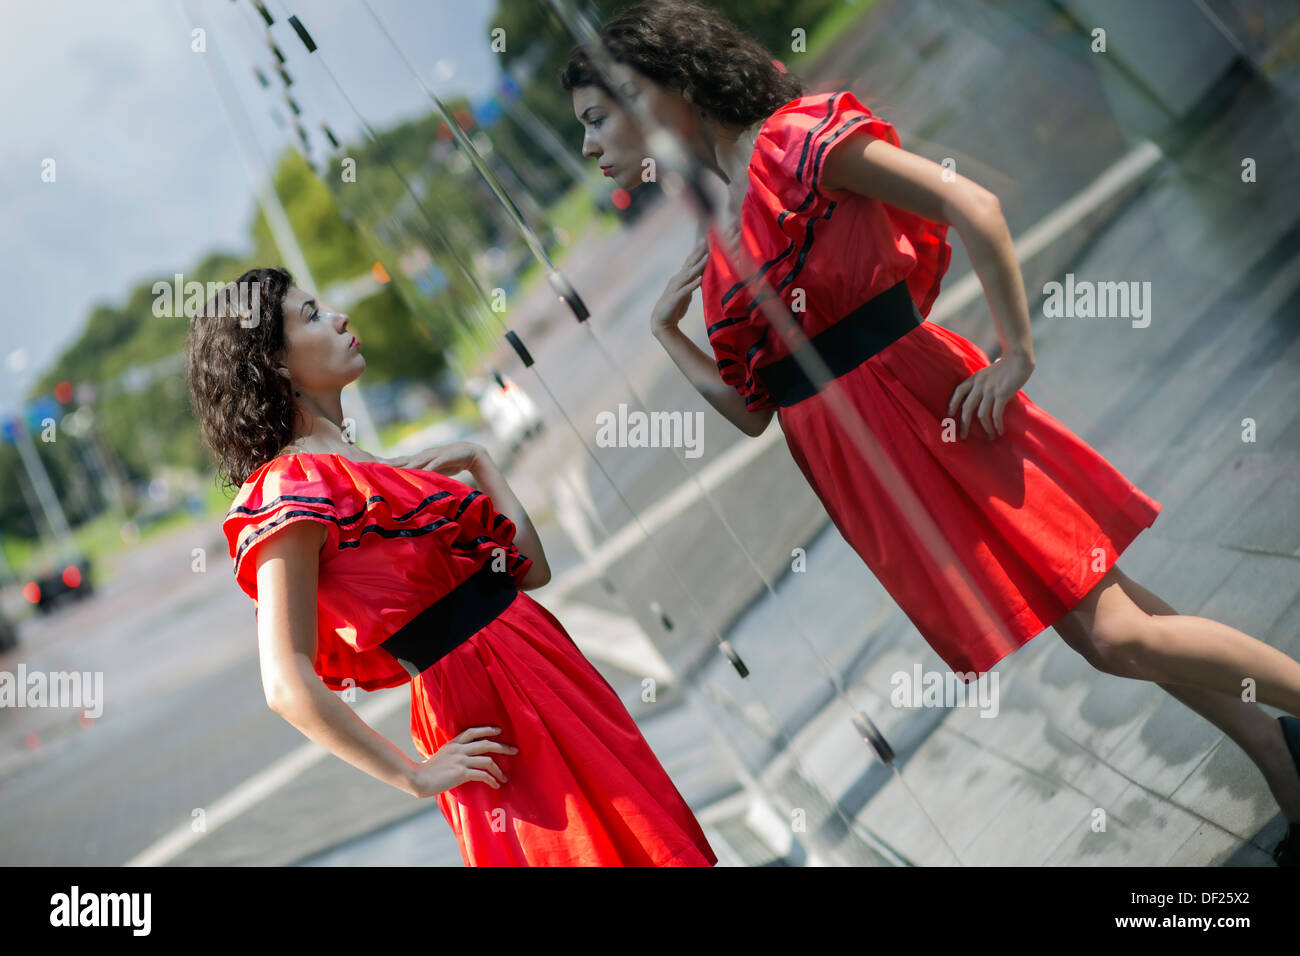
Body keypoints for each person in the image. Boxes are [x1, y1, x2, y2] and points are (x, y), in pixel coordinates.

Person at [561, 0, 1300, 865]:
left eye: (595, 118)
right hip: (884, 463)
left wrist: (1014, 351)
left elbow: (971, 202)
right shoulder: (721, 227)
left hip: (931, 415)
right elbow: (758, 411)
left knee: (1115, 634)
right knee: (1113, 629)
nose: (588, 146)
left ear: (663, 87)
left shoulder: (799, 142)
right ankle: (1278, 756)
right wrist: (669, 334)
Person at [186, 266, 716, 867]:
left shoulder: (373, 467)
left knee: (650, 843)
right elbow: (285, 682)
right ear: (275, 366)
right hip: (482, 705)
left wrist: (480, 462)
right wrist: (413, 775)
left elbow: (528, 571)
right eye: (311, 316)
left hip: (546, 664)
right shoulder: (289, 486)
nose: (340, 317)